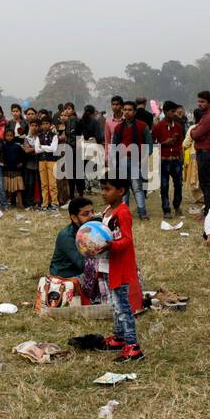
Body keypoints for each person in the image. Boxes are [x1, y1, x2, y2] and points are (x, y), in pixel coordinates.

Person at [100, 179, 144, 361]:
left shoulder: (123, 213)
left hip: (120, 266)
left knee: (122, 307)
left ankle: (133, 346)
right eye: (102, 189)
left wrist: (110, 245)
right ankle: (118, 337)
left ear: (121, 191)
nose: (103, 193)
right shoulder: (108, 210)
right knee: (114, 303)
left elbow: (127, 240)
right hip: (109, 264)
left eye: (107, 189)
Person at [110, 100, 151, 220]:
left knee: (137, 187)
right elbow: (114, 146)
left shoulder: (143, 126)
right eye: (125, 110)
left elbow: (148, 145)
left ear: (135, 112)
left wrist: (143, 159)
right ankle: (124, 213)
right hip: (122, 160)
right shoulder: (118, 128)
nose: (127, 112)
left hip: (136, 160)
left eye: (130, 110)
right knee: (123, 189)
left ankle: (142, 213)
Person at [153, 101, 186, 219]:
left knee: (178, 184)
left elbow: (180, 143)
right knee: (164, 185)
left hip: (176, 159)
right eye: (173, 112)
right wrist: (164, 143)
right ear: (166, 112)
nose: (175, 114)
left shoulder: (178, 126)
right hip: (163, 160)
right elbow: (153, 143)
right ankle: (166, 209)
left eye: (175, 111)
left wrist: (181, 159)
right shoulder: (158, 126)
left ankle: (177, 206)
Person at [51, 196, 96, 280]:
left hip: (79, 272)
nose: (92, 216)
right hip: (65, 277)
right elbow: (84, 265)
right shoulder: (67, 236)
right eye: (86, 214)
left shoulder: (89, 229)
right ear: (74, 218)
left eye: (92, 212)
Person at [190, 91, 210, 212]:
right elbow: (196, 132)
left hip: (206, 152)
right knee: (204, 182)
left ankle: (209, 209)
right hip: (203, 151)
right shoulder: (205, 116)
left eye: (202, 102)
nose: (199, 104)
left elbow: (195, 134)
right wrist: (196, 132)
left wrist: (194, 132)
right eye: (198, 101)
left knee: (205, 183)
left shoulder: (209, 117)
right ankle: (208, 207)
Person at [35, 115, 60, 211]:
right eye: (43, 124)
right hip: (41, 161)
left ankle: (54, 203)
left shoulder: (54, 136)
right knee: (44, 184)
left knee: (52, 184)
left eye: (47, 124)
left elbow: (54, 149)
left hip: (51, 161)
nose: (45, 126)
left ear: (50, 124)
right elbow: (37, 150)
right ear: (41, 125)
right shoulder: (39, 136)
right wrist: (46, 147)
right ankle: (44, 204)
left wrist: (42, 147)